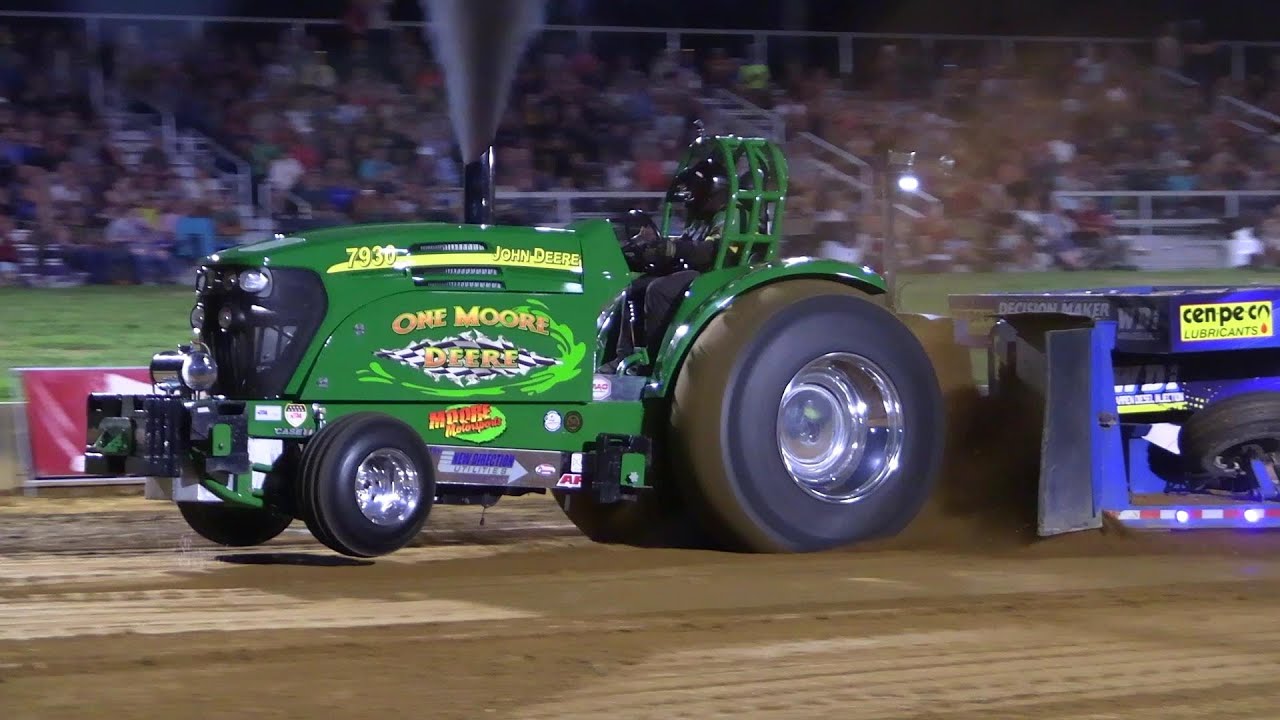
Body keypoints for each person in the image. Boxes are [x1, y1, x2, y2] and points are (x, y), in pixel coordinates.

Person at [606, 144, 730, 371]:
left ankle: (657, 361)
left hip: (716, 274)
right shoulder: (701, 217)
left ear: (711, 191)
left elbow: (709, 251)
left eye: (695, 191)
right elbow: (686, 243)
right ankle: (624, 356)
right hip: (695, 270)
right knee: (635, 286)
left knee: (660, 289)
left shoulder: (727, 217)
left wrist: (672, 247)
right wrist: (656, 244)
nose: (690, 197)